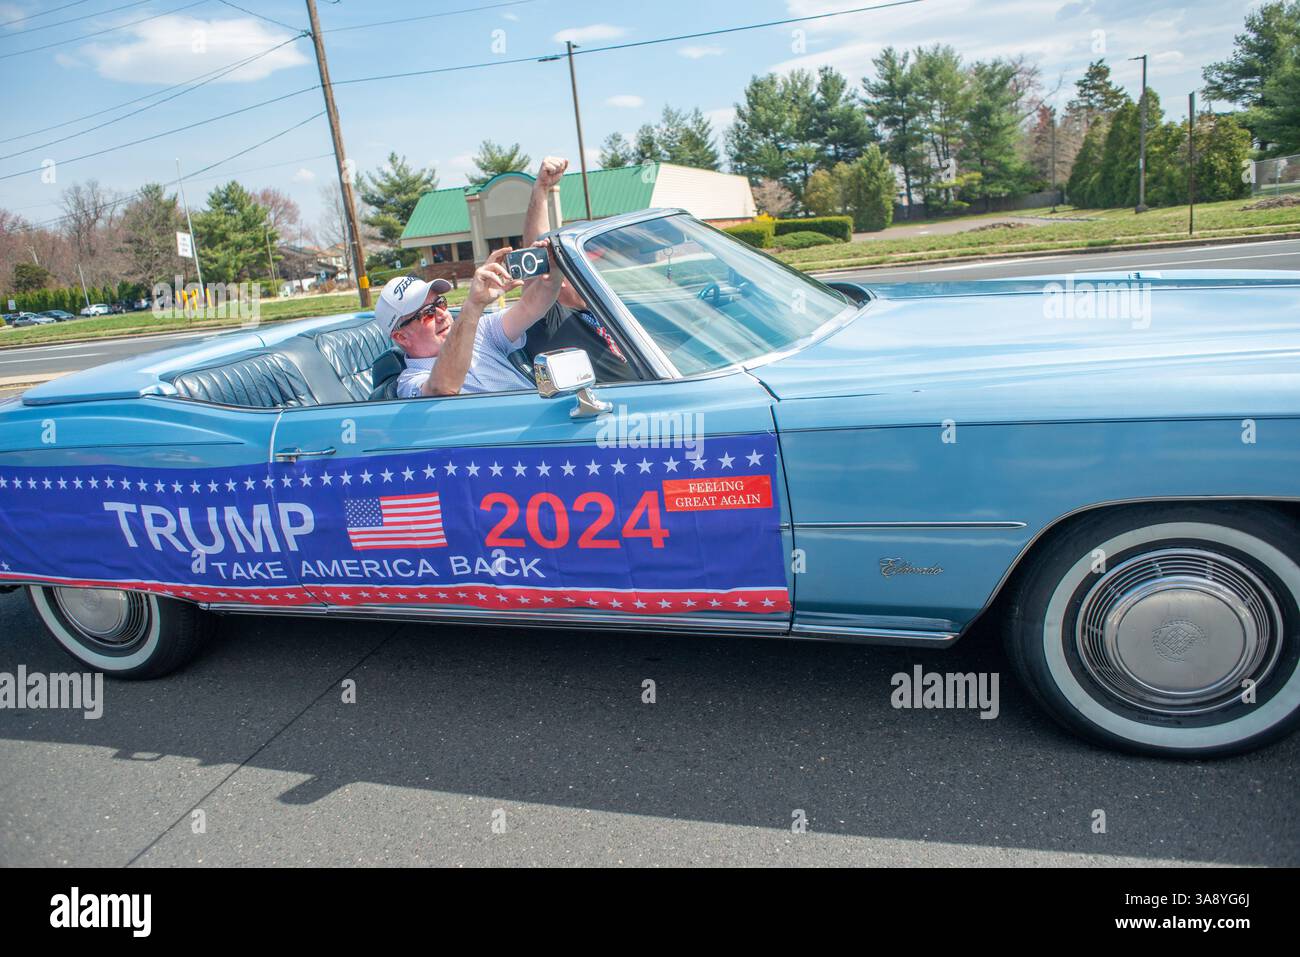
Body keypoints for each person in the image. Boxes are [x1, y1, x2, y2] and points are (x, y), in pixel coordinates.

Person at [375, 243, 561, 398]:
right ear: (401, 337)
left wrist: (552, 272)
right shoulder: (410, 382)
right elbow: (443, 389)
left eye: (440, 302)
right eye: (427, 313)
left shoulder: (480, 330)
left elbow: (531, 307)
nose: (441, 314)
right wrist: (473, 305)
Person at [521, 156, 635, 381]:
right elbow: (536, 259)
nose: (595, 274)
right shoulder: (549, 319)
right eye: (585, 268)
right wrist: (541, 190)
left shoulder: (603, 311)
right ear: (560, 279)